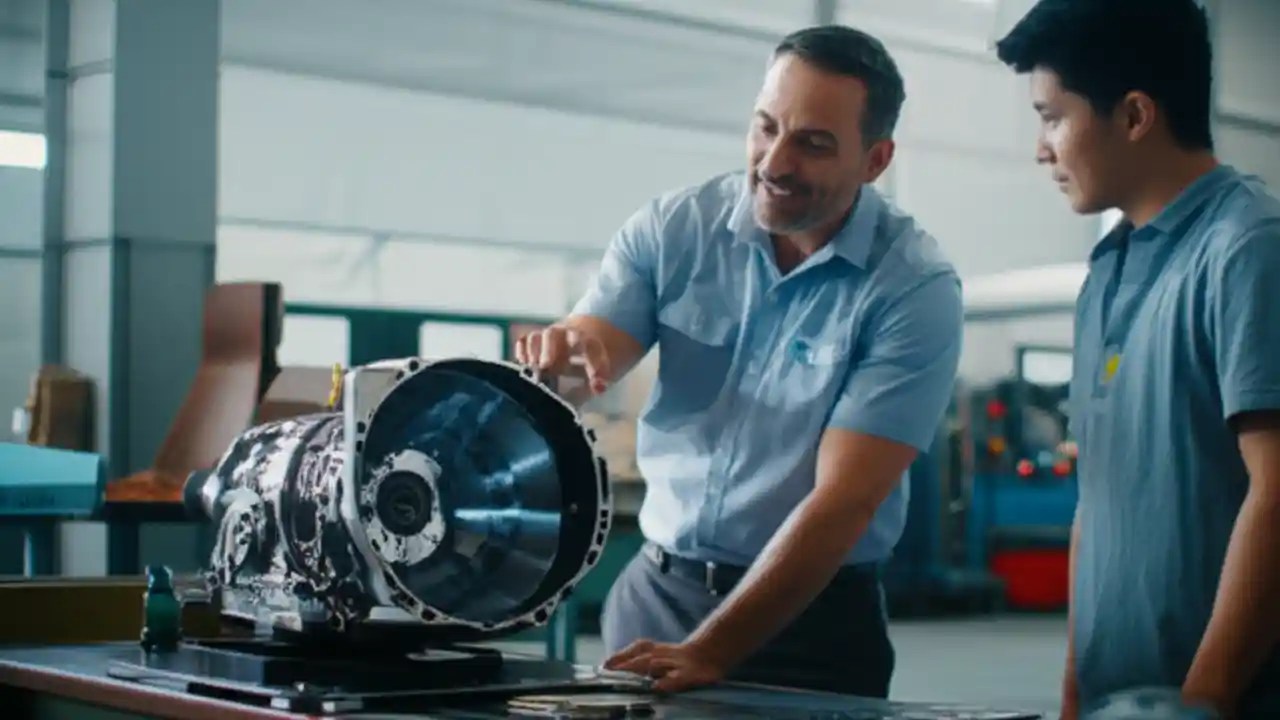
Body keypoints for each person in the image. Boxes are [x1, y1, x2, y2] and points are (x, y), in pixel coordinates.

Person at [515, 25, 962, 696]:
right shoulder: (675, 229)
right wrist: (565, 362)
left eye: (813, 144)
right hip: (657, 595)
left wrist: (714, 649)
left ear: (875, 160)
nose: (775, 163)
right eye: (765, 128)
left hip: (813, 624)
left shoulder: (912, 287)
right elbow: (592, 351)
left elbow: (845, 503)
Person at [994, 1, 1280, 718]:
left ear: (1134, 115)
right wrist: (1072, 692)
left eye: (1053, 117)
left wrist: (1201, 700)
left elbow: (1277, 493)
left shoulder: (1246, 250)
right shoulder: (1107, 273)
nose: (1041, 148)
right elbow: (1098, 503)